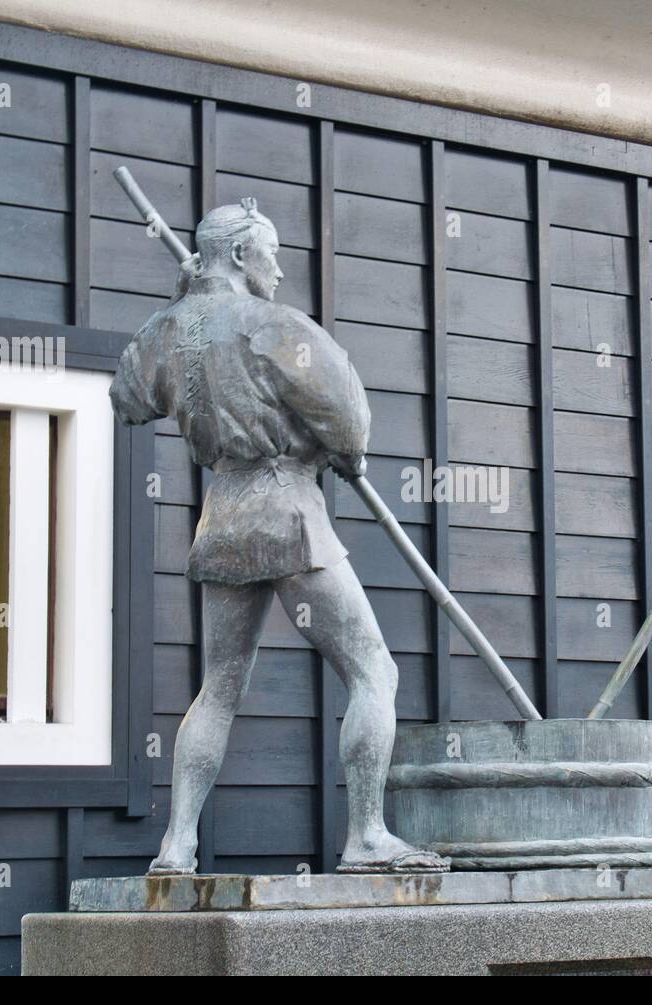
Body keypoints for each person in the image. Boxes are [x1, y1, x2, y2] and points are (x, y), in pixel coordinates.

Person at [110, 196, 447, 874]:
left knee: (220, 686)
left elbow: (127, 397)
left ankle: (176, 845)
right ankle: (368, 836)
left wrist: (178, 309)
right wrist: (345, 455)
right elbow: (348, 419)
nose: (281, 271)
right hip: (286, 505)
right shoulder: (271, 323)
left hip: (223, 515)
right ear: (239, 255)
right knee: (373, 670)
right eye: (271, 254)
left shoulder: (166, 332)